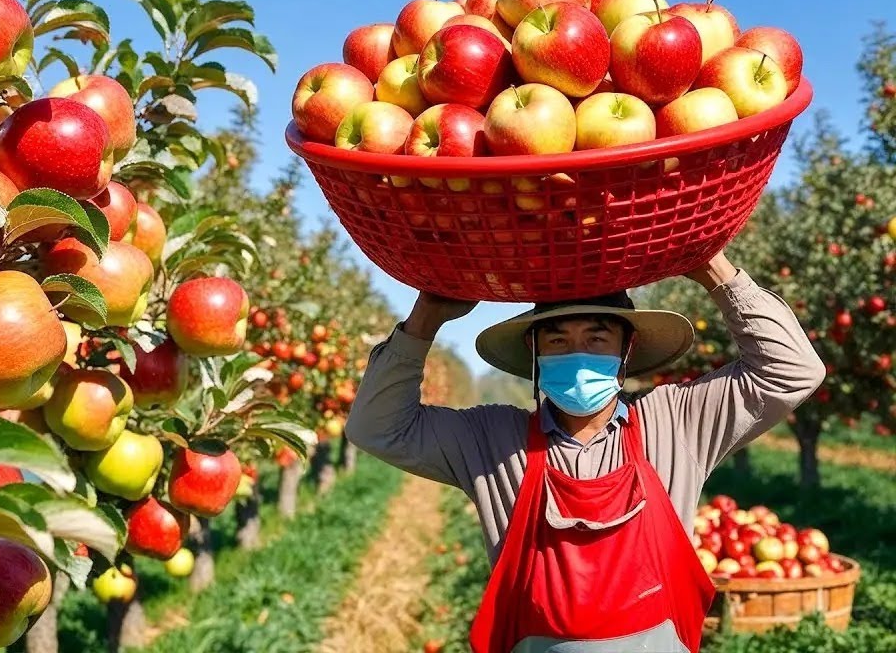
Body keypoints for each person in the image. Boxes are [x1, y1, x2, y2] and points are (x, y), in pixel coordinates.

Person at [345, 252, 826, 653]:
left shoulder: (675, 422)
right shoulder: (493, 440)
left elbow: (794, 371)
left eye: (596, 337)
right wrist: (425, 319)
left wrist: (715, 270)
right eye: (557, 340)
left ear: (626, 349)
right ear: (535, 355)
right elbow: (376, 427)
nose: (576, 353)